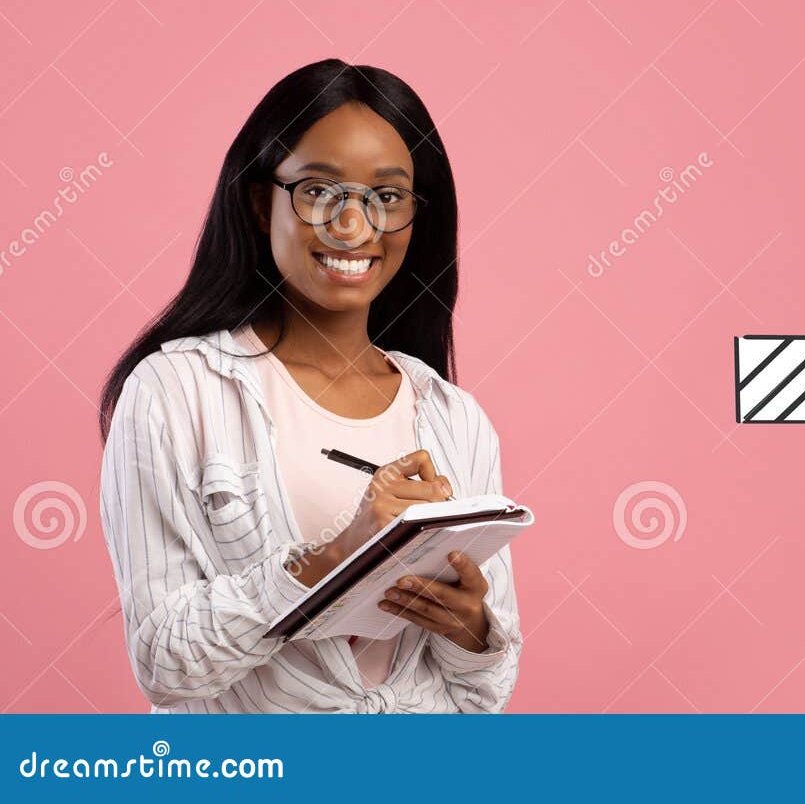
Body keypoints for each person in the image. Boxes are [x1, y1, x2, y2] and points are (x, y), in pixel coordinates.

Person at [96, 59, 520, 713]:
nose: (352, 227)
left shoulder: (454, 416)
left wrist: (467, 627)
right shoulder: (174, 392)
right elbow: (164, 662)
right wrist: (338, 555)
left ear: (417, 216)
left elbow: (483, 694)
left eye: (386, 196)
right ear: (260, 199)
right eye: (319, 190)